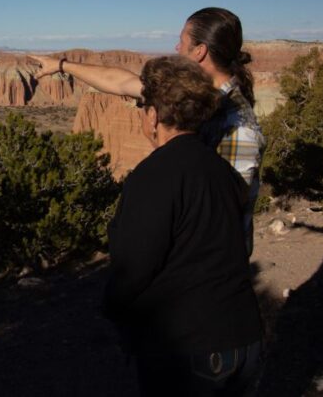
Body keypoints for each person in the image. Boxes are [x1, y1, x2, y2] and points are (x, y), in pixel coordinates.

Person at [29, 7, 264, 256]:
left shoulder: (238, 127)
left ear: (199, 51)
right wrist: (61, 65)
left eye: (181, 40)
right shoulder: (189, 93)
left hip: (212, 270)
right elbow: (121, 82)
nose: (176, 48)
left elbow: (223, 212)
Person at [103, 56, 263, 396]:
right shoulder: (222, 171)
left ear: (154, 115)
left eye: (143, 107)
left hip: (190, 348)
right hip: (244, 339)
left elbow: (133, 267)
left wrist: (113, 309)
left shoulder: (153, 176)